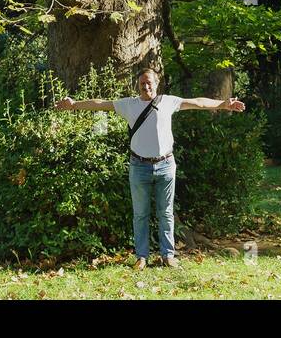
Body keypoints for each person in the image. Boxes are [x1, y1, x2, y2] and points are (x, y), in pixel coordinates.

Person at [54, 68, 246, 269]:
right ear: (138, 86)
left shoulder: (168, 101)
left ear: (157, 83)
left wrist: (224, 105)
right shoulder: (129, 105)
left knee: (166, 213)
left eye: (149, 83)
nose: (146, 87)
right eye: (142, 84)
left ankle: (168, 256)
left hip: (166, 165)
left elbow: (198, 102)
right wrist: (74, 105)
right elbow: (101, 104)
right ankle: (142, 257)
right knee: (140, 214)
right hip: (139, 167)